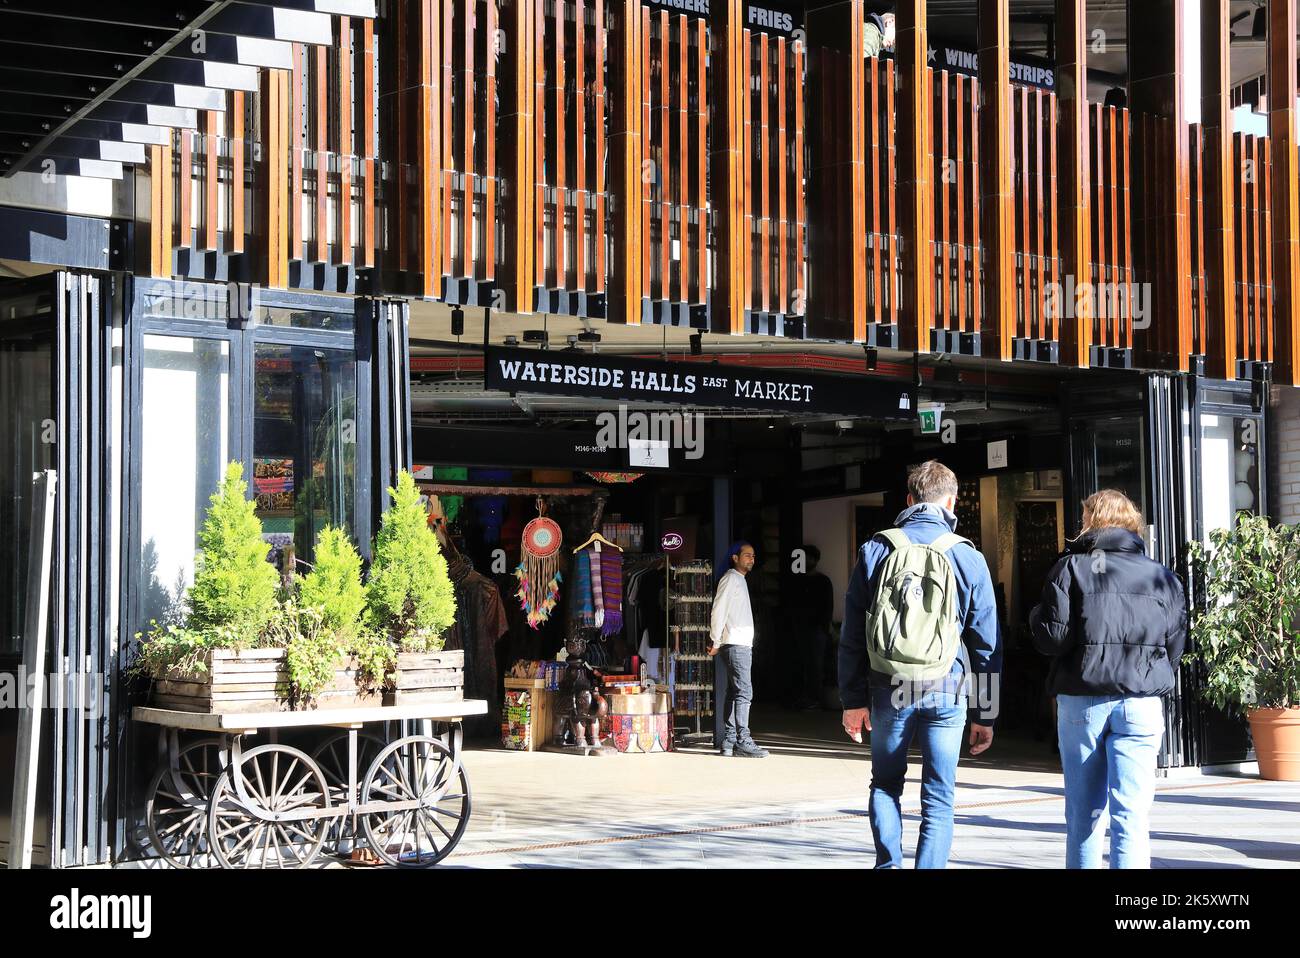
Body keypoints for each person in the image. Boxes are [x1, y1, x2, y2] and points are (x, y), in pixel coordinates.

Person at [840, 461, 1000, 868]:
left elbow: (853, 633)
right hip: (947, 687)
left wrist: (852, 700)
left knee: (885, 784)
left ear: (909, 500)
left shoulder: (876, 549)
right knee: (939, 794)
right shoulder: (968, 556)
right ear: (951, 501)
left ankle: (889, 864)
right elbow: (986, 643)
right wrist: (987, 713)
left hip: (887, 686)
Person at [1030, 490, 1186, 869]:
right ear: (1131, 522)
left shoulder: (1072, 568)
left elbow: (1052, 639)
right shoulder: (1161, 575)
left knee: (1084, 815)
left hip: (1083, 699)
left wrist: (1036, 615)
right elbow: (1176, 642)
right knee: (1131, 817)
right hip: (1141, 701)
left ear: (1090, 521)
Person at [710, 541, 768, 758]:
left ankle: (730, 739)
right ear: (734, 557)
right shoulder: (730, 579)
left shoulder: (739, 580)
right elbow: (719, 611)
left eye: (753, 556)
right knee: (744, 691)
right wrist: (716, 641)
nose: (751, 559)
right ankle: (743, 740)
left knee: (735, 692)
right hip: (735, 643)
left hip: (739, 642)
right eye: (746, 555)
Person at [792, 544, 835, 709]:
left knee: (815, 665)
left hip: (817, 629)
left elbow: (828, 607)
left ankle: (813, 698)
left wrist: (825, 627)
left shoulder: (822, 581)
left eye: (809, 558)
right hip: (802, 627)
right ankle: (806, 696)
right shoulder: (800, 580)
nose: (807, 561)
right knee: (804, 663)